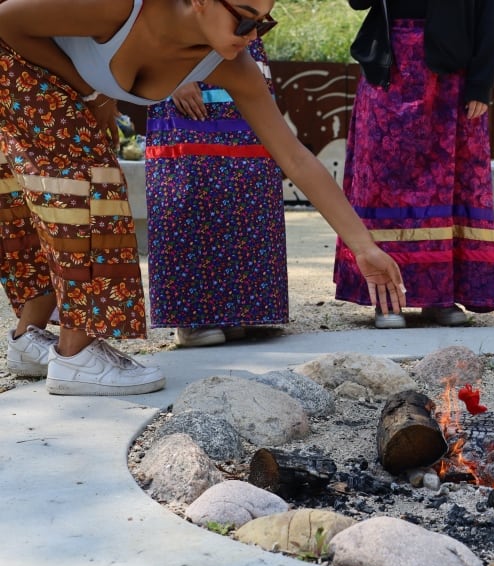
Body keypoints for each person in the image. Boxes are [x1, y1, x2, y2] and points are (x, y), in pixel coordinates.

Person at [0, 0, 405, 395]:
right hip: (16, 59)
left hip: (55, 85)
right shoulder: (122, 7)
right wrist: (90, 92)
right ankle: (77, 358)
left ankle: (27, 340)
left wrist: (363, 247)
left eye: (264, 25)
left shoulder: (231, 65)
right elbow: (6, 21)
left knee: (37, 204)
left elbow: (295, 158)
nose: (251, 37)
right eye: (245, 20)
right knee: (91, 186)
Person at [334, 0, 494, 328]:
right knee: (383, 183)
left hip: (451, 75)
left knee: (448, 186)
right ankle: (386, 299)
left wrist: (481, 85)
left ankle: (440, 297)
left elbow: (487, 16)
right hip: (389, 68)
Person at [145, 38, 288, 348]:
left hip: (240, 46)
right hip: (185, 49)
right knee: (194, 178)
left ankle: (235, 309)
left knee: (248, 178)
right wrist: (175, 73)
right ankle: (193, 317)